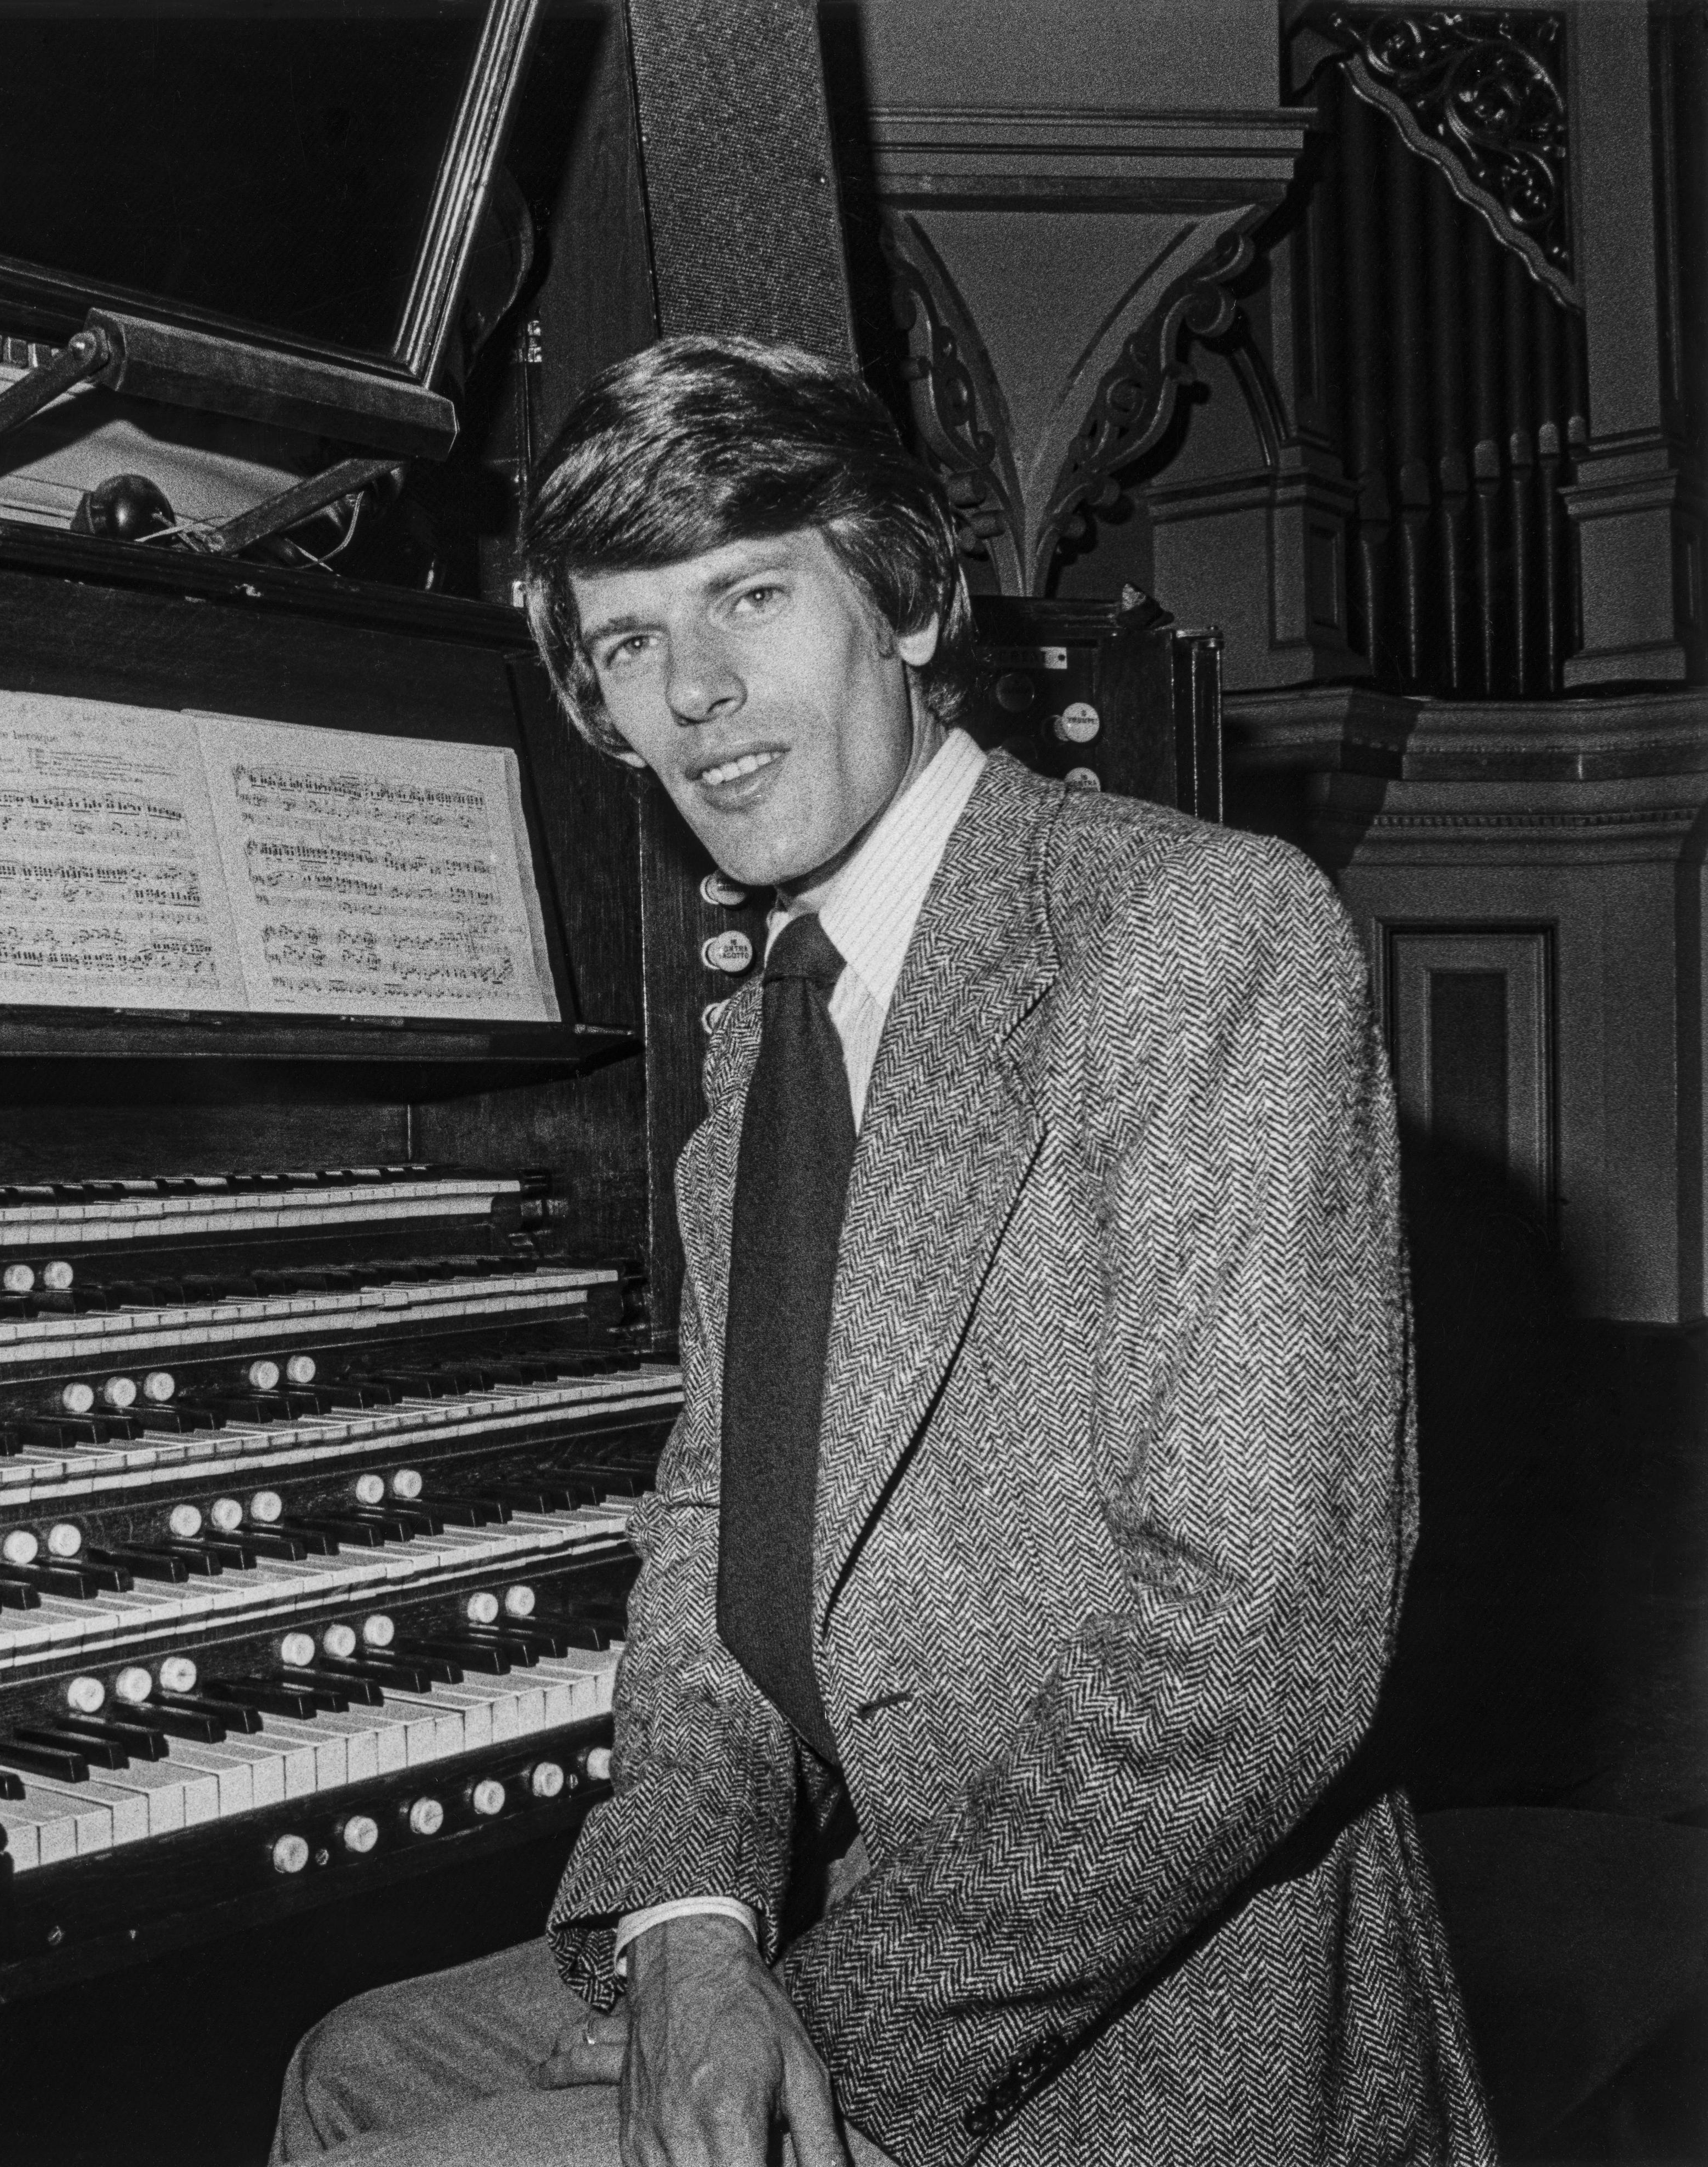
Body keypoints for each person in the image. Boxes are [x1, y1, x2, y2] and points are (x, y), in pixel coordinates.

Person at [270, 335, 1494, 2167]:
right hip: (843, 1899)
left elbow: (1267, 1646)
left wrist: (819, 2039)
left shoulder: (1195, 936)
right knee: (347, 2066)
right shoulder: (773, 1039)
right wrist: (694, 1924)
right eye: (624, 646)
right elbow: (713, 1544)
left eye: (748, 595)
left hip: (1138, 2006)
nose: (691, 693)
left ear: (909, 597)